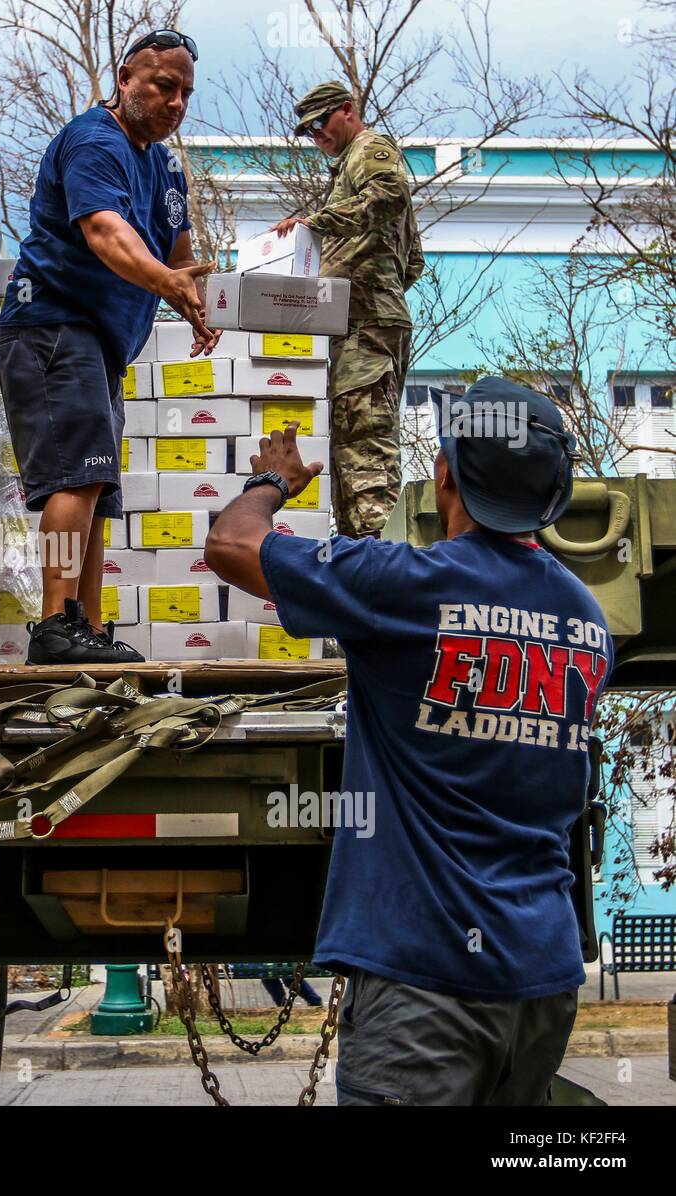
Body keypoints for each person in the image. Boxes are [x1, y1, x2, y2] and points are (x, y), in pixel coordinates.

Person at [204, 378, 613, 1106]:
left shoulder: (405, 584)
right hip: (541, 981)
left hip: (427, 986)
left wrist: (273, 480)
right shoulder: (586, 623)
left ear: (446, 474)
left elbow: (233, 543)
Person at [0, 28, 219, 663]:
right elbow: (105, 232)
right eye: (163, 86)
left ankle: (86, 627)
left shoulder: (164, 163)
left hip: (97, 343)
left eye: (185, 93)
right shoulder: (94, 141)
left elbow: (177, 253)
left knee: (95, 486)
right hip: (52, 326)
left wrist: (199, 301)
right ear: (126, 79)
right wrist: (166, 282)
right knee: (73, 478)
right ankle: (53, 627)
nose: (176, 102)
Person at [270, 82, 423, 539]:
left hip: (368, 327)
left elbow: (388, 197)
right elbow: (412, 259)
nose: (316, 135)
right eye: (307, 131)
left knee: (365, 448)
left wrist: (315, 223)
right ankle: (360, 552)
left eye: (320, 123)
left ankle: (377, 559)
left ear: (347, 111)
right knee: (351, 445)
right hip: (361, 323)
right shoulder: (347, 168)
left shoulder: (370, 149)